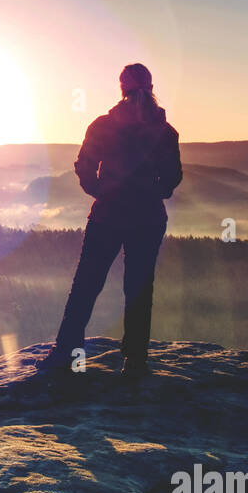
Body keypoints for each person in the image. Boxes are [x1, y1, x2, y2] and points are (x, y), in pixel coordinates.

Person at [38, 63, 182, 379]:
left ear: (122, 87)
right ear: (151, 86)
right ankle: (135, 361)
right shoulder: (165, 131)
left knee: (86, 284)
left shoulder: (104, 125)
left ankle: (65, 352)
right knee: (139, 288)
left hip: (107, 215)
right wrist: (151, 192)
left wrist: (102, 191)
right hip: (148, 218)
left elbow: (83, 165)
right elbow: (173, 178)